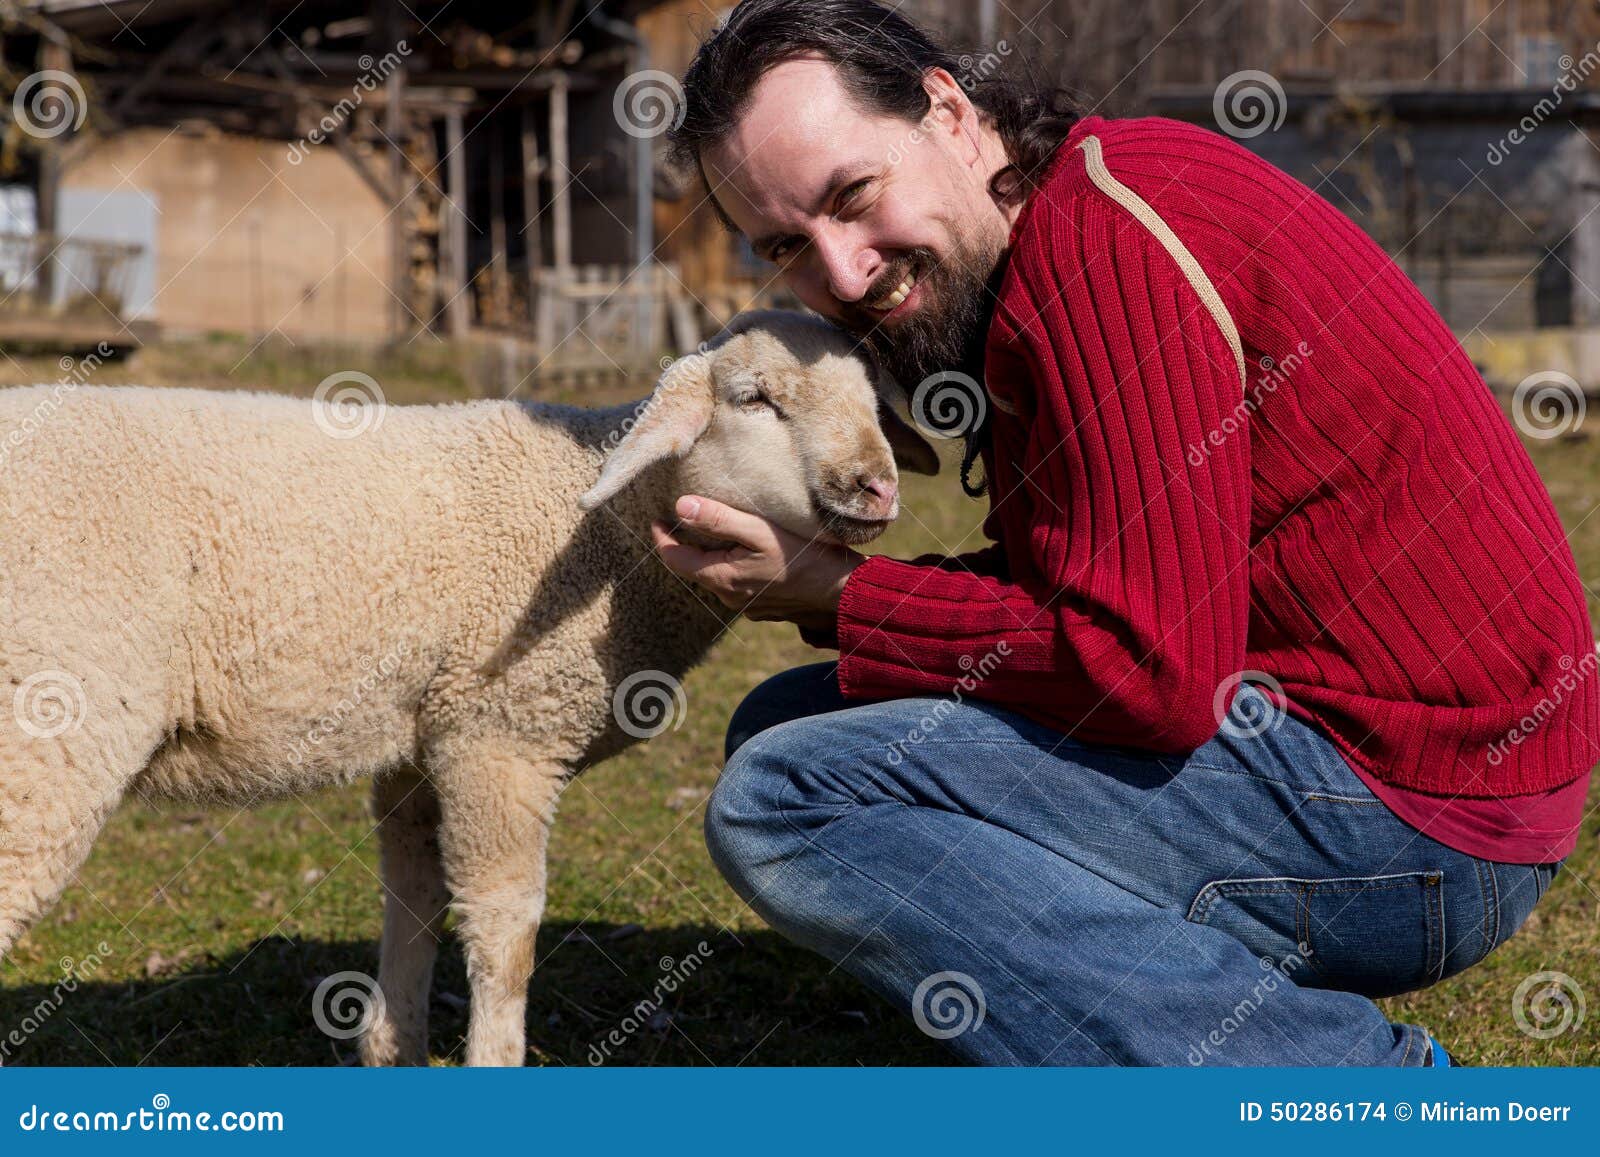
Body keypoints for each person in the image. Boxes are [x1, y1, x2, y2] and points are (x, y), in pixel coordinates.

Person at [649, 0, 1596, 1065]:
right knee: (787, 724)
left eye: (853, 198)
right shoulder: (1054, 229)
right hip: (1377, 753)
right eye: (788, 244)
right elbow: (1090, 588)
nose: (843, 271)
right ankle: (1118, 1005)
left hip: (1422, 807)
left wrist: (843, 592)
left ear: (948, 114)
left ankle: (1351, 1086)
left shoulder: (1103, 252)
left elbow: (1146, 669)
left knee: (788, 797)